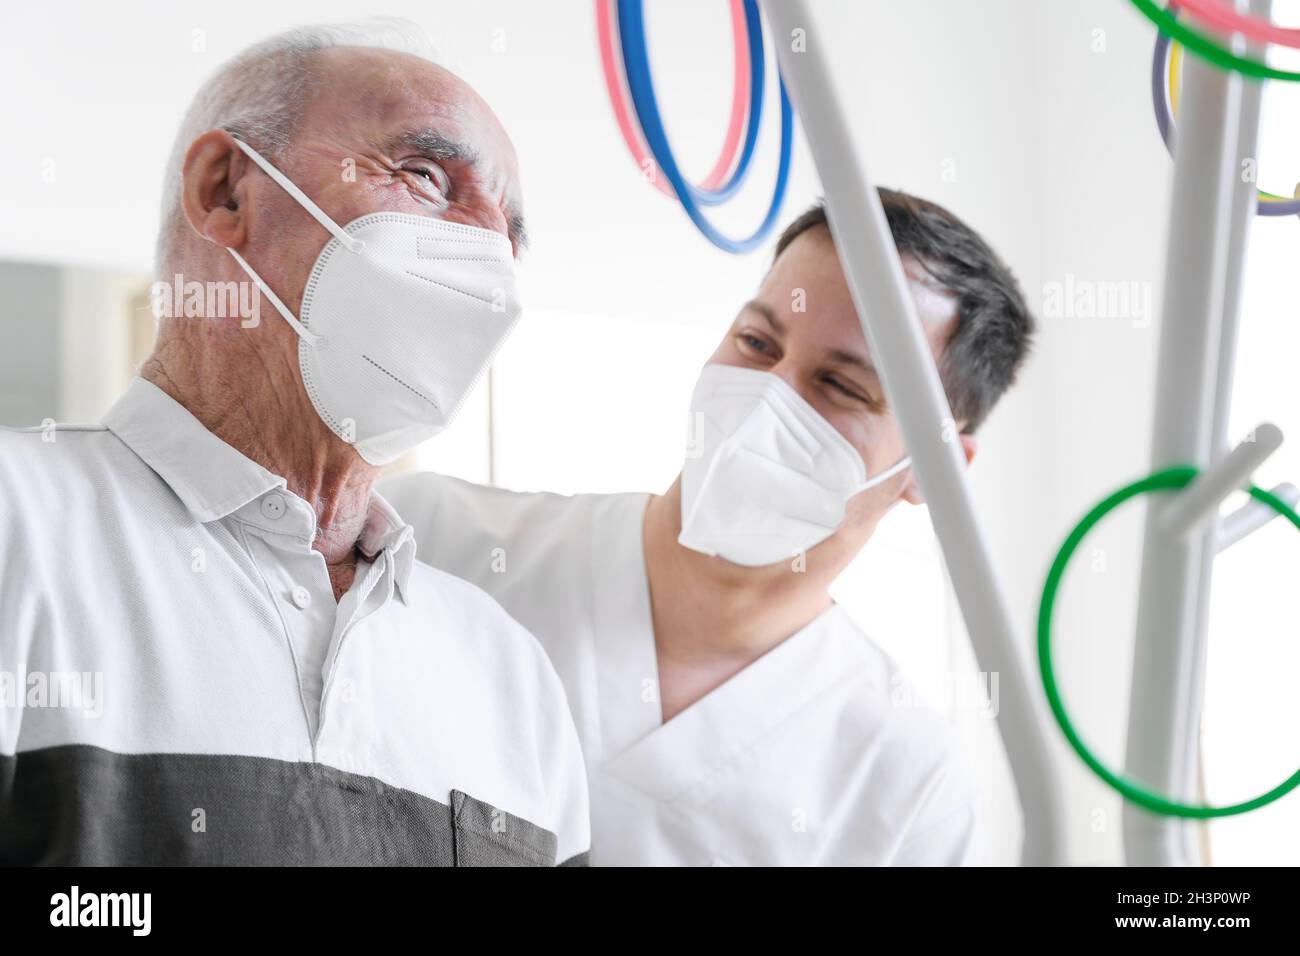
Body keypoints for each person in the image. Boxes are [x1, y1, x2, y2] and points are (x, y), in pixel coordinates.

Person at [0, 19, 589, 866]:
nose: (487, 250)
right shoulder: (22, 527)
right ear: (224, 192)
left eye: (513, 234)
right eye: (425, 176)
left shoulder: (509, 674)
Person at [382, 192, 1036, 865]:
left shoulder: (906, 785)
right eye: (757, 342)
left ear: (934, 468)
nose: (768, 397)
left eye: (839, 385)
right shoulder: (429, 540)